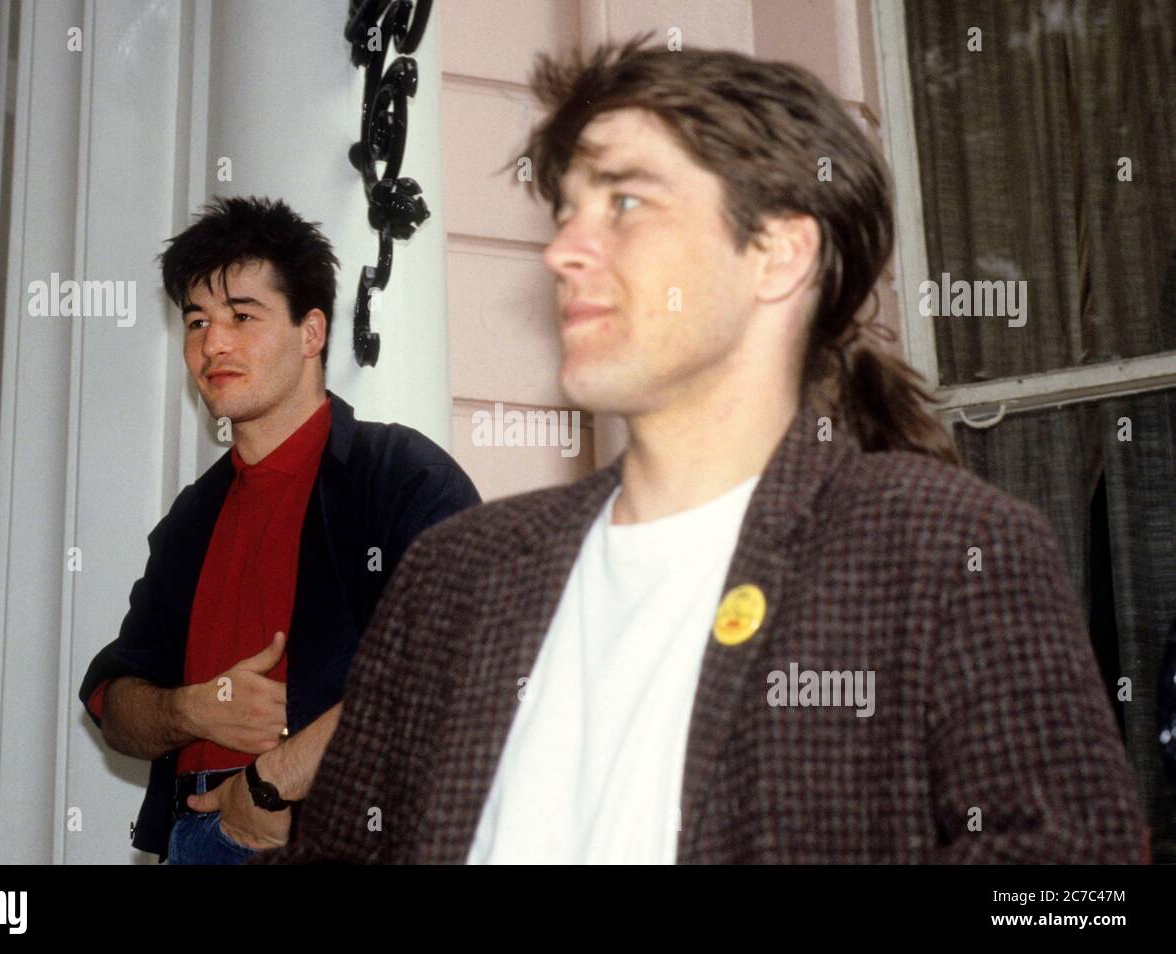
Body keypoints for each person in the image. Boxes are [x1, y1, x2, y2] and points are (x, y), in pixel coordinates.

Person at [257, 42, 1149, 864]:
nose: (564, 250)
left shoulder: (944, 550)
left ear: (777, 254)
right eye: (565, 211)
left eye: (626, 203)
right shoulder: (456, 577)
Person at [79, 196, 480, 863]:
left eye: (242, 316)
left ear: (311, 332)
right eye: (197, 321)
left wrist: (270, 786)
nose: (214, 343)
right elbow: (114, 705)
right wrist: (191, 712)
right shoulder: (190, 519)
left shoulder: (401, 476)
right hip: (190, 837)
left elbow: (452, 667)